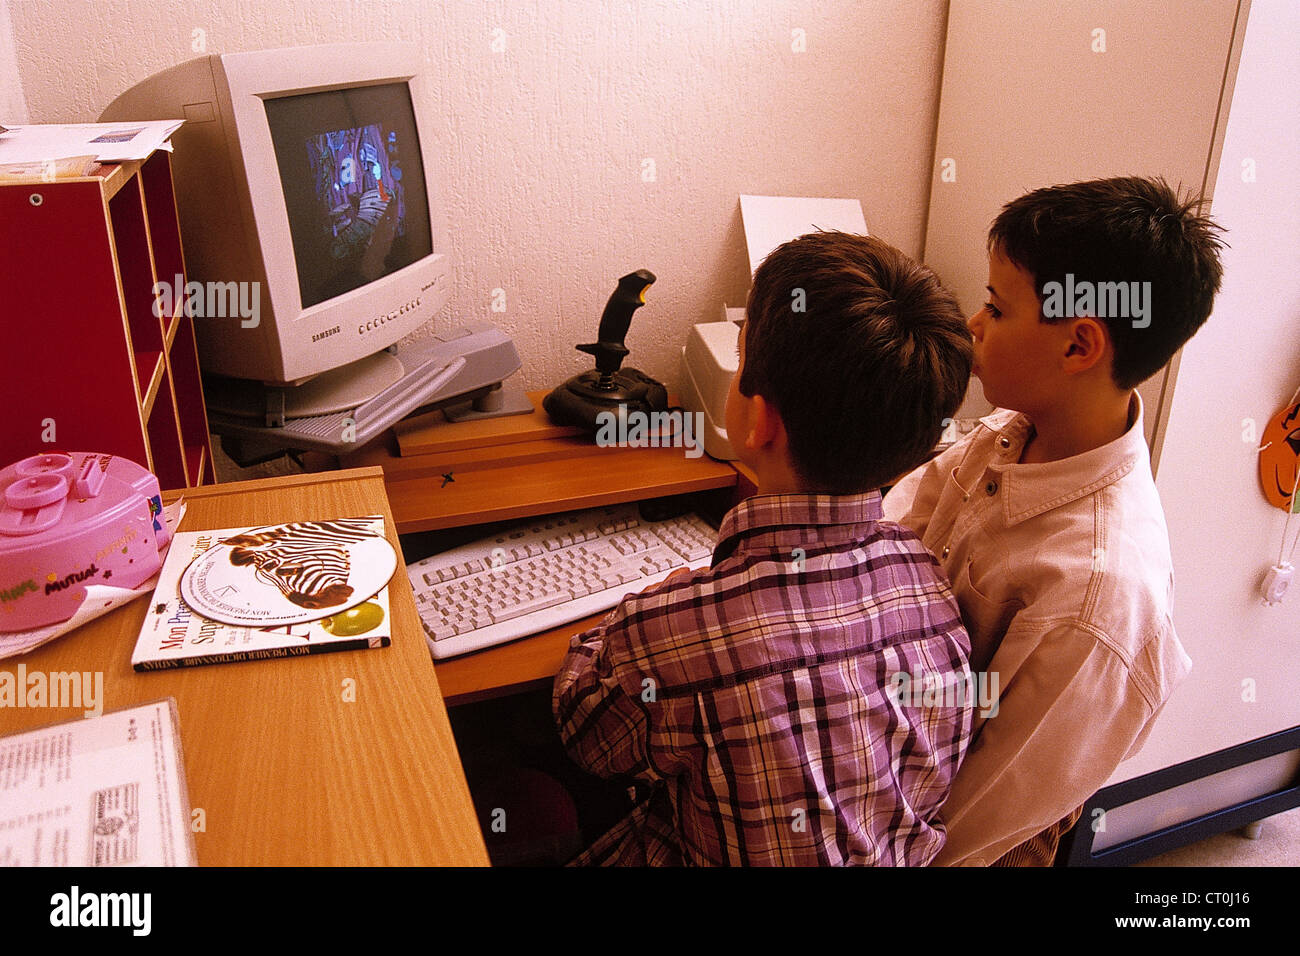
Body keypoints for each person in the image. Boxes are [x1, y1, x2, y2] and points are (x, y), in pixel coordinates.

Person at [553, 230, 976, 864]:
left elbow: (587, 737)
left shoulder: (673, 634)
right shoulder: (933, 590)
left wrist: (635, 614)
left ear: (757, 420)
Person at [883, 176, 1225, 865]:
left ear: (1079, 346)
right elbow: (891, 533)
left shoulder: (1095, 599)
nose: (974, 325)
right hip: (892, 751)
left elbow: (969, 827)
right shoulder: (1006, 435)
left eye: (995, 307)